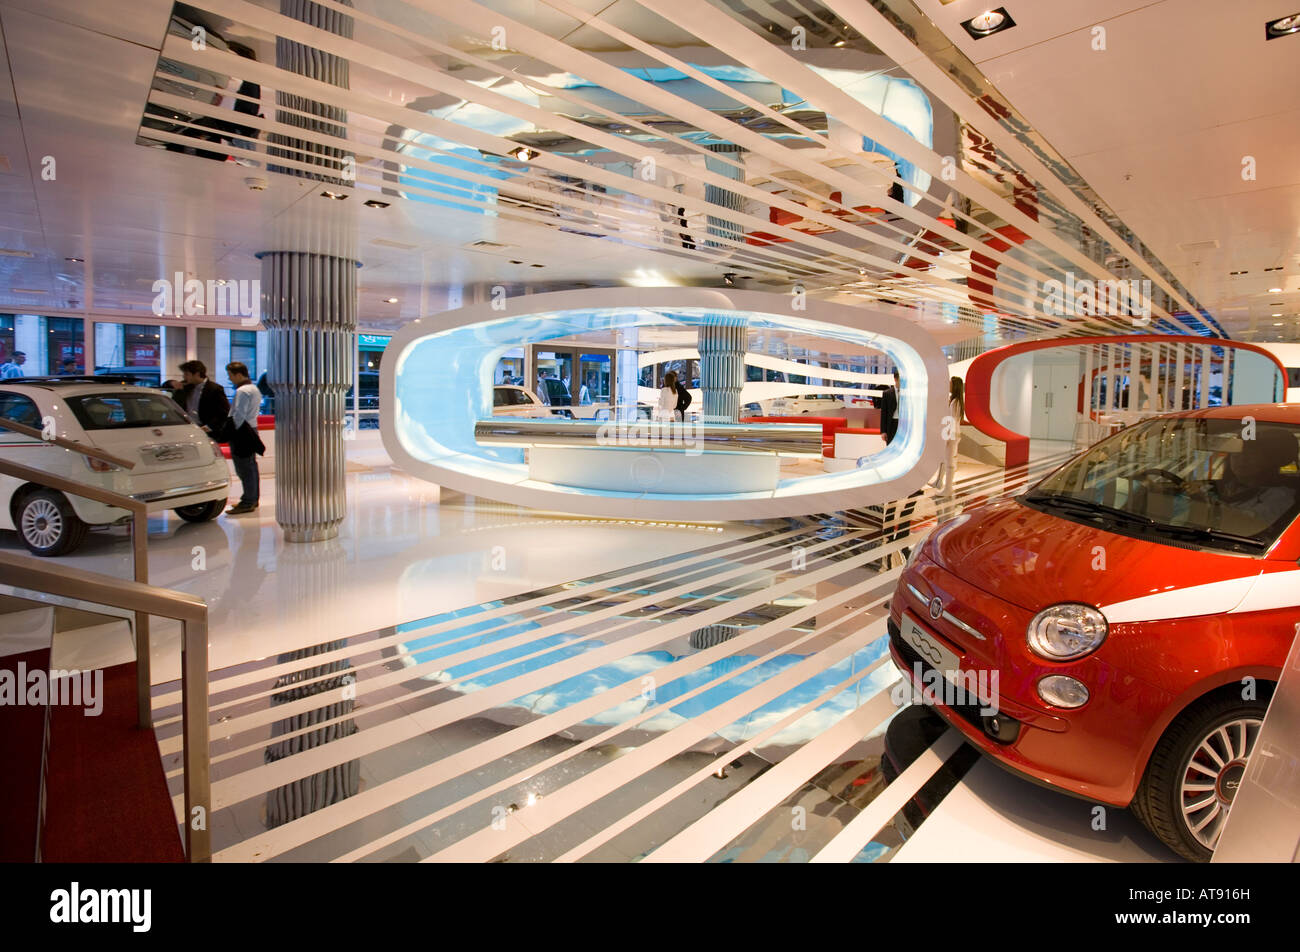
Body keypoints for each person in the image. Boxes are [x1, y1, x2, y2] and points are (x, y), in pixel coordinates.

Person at [223, 361, 264, 515]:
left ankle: (248, 501)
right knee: (251, 467)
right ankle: (252, 499)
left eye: (230, 375)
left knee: (244, 467)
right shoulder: (253, 389)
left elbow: (238, 415)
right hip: (251, 429)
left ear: (238, 374)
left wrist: (231, 431)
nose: (230, 379)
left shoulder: (243, 391)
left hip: (243, 432)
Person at [929, 376, 964, 497]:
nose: (948, 385)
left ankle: (948, 489)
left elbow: (952, 421)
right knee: (946, 460)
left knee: (949, 462)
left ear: (955, 386)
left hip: (951, 435)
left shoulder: (955, 402)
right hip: (951, 434)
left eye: (950, 384)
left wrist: (947, 437)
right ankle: (942, 484)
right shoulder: (955, 401)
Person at [176, 359, 230, 437]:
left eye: (186, 374)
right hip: (187, 428)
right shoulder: (186, 387)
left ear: (197, 374)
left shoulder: (214, 389)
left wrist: (209, 427)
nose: (184, 376)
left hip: (205, 430)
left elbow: (223, 412)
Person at [878, 369, 900, 445]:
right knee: (890, 446)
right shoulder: (887, 393)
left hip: (903, 424)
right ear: (895, 379)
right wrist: (883, 431)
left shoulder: (907, 393)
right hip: (891, 424)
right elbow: (884, 413)